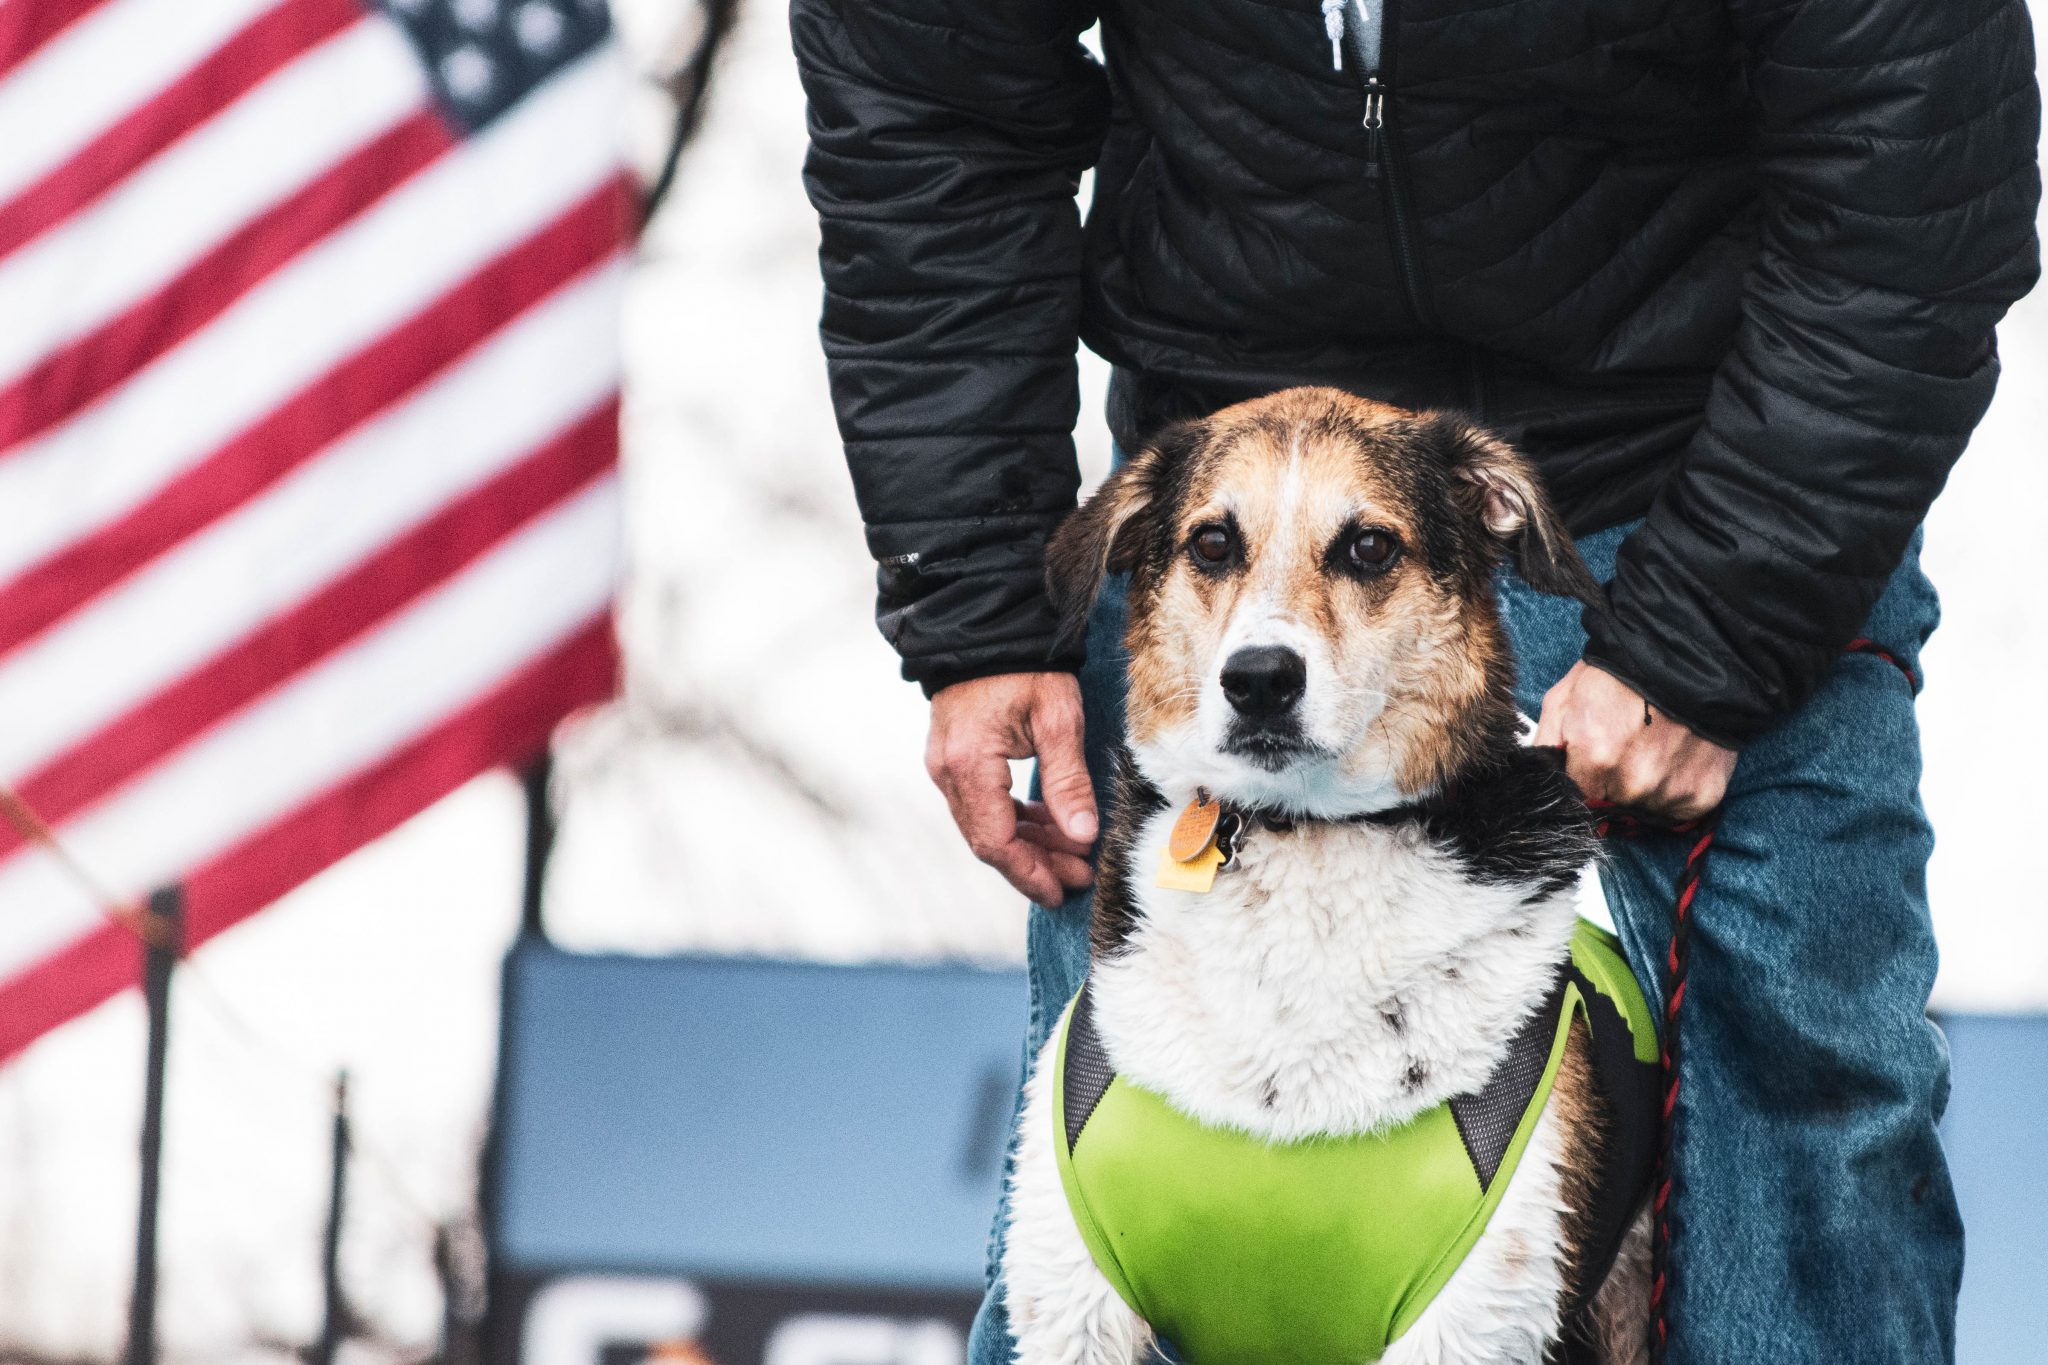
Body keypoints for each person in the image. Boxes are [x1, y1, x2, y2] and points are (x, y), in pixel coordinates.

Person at [792, 2, 2040, 1361]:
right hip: (1222, 485)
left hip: (1701, 474)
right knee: (1127, 1191)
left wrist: (1714, 633)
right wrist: (979, 603)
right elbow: (929, 90)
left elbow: (1913, 161)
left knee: (1797, 1112)